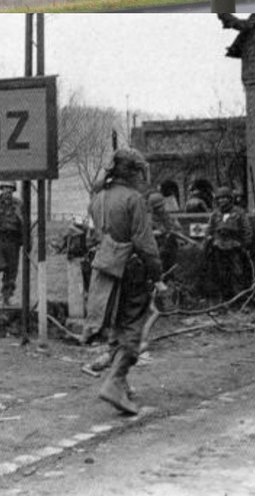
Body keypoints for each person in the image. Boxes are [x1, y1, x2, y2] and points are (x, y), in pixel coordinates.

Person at [87, 147, 164, 415]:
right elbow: (146, 244)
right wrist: (159, 277)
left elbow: (94, 237)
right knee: (133, 327)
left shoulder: (98, 198)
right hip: (132, 271)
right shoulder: (134, 199)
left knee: (116, 325)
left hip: (105, 270)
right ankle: (115, 382)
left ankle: (123, 385)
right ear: (133, 172)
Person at [207, 186, 253, 301]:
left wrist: (245, 244)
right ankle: (223, 299)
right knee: (221, 274)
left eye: (224, 198)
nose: (221, 201)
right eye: (219, 198)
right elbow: (209, 229)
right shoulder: (215, 214)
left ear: (230, 199)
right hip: (219, 247)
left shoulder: (239, 212)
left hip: (234, 247)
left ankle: (239, 298)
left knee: (237, 273)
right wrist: (211, 240)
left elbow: (246, 229)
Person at [0, 181, 25, 306]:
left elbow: (25, 222)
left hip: (13, 240)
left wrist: (26, 239)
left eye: (10, 189)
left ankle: (7, 296)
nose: (8, 191)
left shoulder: (19, 204)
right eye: (5, 188)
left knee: (12, 270)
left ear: (13, 191)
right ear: (1, 189)